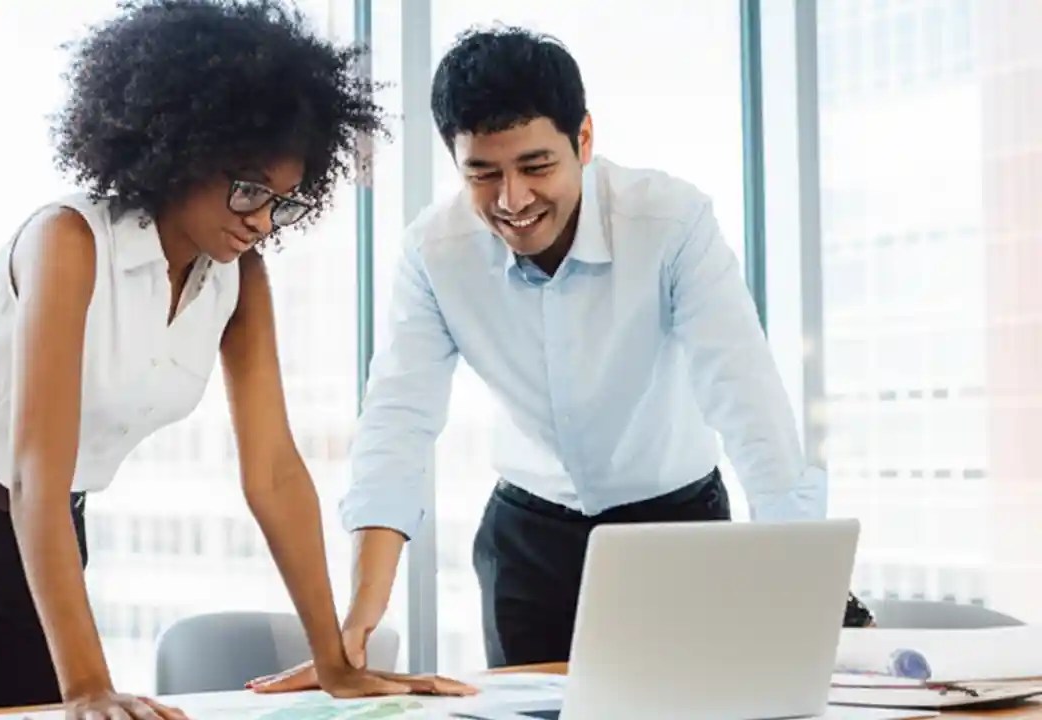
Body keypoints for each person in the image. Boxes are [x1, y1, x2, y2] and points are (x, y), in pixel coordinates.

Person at [0, 2, 474, 718]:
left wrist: (334, 660)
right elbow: (32, 475)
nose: (262, 219)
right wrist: (86, 687)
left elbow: (274, 472)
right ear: (184, 149)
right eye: (249, 188)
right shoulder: (70, 240)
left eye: (284, 202)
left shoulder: (240, 280)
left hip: (51, 544)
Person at [251, 26, 873, 690]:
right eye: (483, 174)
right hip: (528, 538)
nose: (512, 200)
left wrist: (807, 580)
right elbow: (397, 420)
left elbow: (745, 396)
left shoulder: (670, 223)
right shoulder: (435, 252)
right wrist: (359, 616)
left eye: (536, 166)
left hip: (675, 525)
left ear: (584, 140)